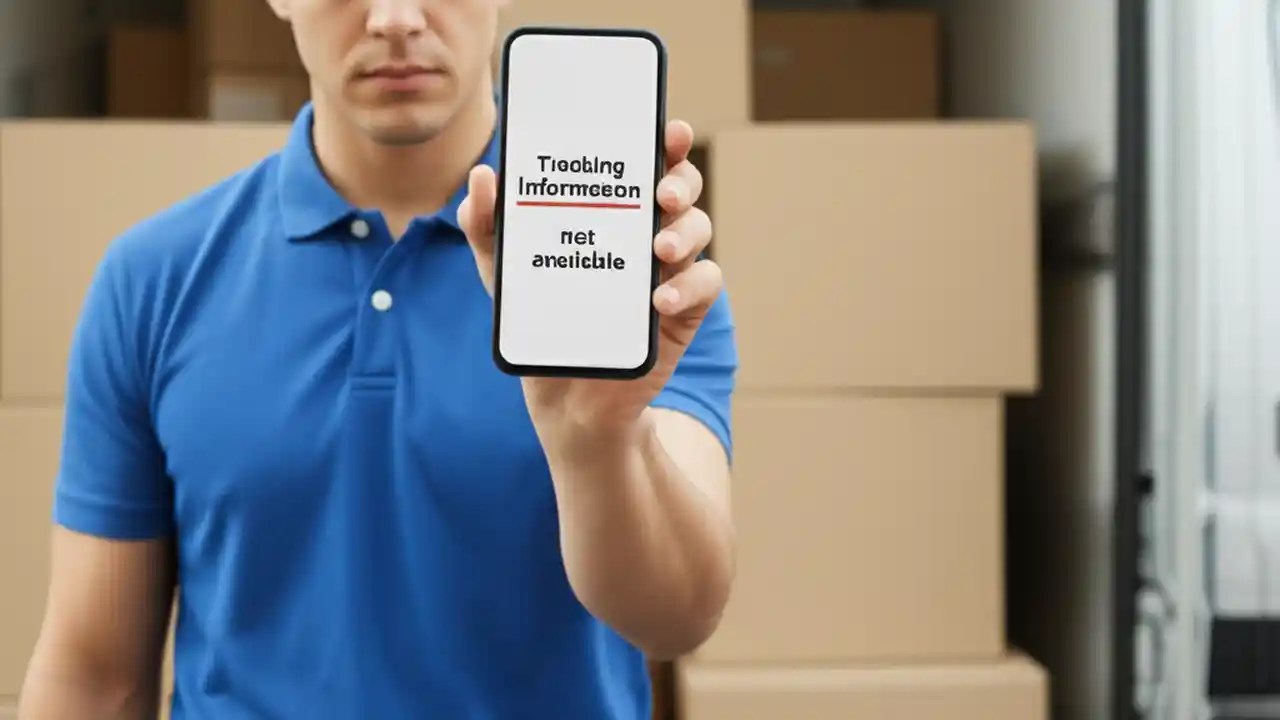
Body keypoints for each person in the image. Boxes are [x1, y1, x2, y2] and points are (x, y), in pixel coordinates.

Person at [16, 1, 737, 718]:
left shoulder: (642, 285)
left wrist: (597, 442)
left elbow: (676, 621)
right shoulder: (154, 280)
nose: (395, 18)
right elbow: (95, 678)